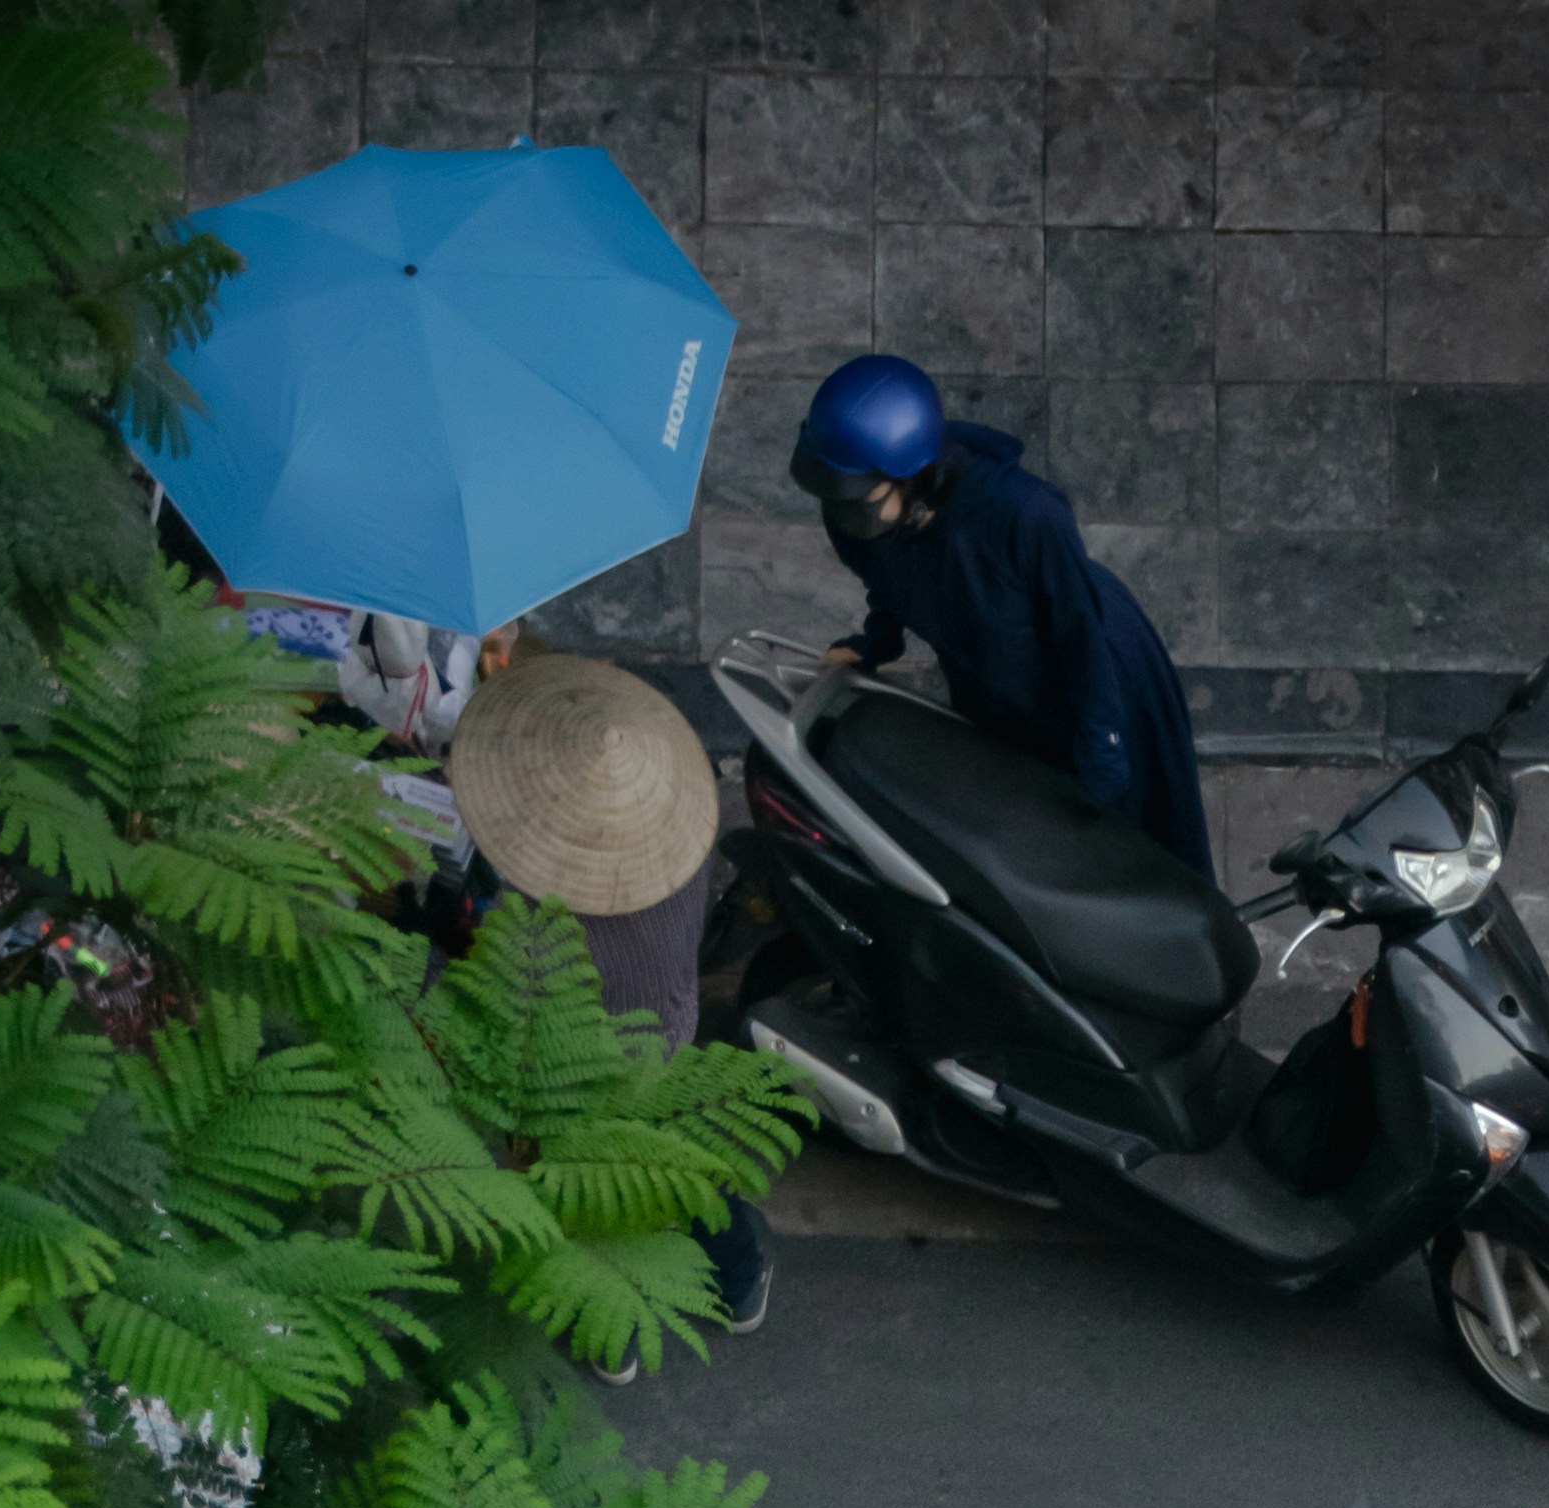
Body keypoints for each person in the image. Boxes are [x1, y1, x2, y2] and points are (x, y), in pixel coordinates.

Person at [446, 649, 770, 1352]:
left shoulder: (533, 911)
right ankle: (739, 1284)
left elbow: (503, 996)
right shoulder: (687, 836)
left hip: (576, 1070)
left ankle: (610, 1338)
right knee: (677, 1166)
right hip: (667, 1033)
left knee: (586, 1193)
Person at [792, 354, 1213, 879]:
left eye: (856, 496)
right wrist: (874, 642)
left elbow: (1080, 638)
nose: (840, 515)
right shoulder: (860, 517)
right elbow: (895, 585)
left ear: (910, 474)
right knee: (1028, 840)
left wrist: (1103, 758)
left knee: (1133, 853)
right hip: (996, 680)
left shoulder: (1027, 515)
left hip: (1100, 677)